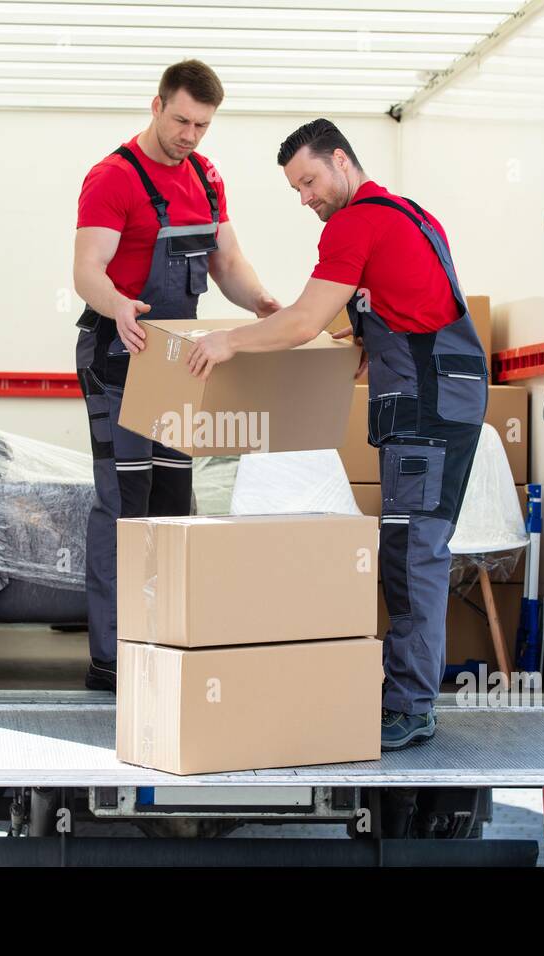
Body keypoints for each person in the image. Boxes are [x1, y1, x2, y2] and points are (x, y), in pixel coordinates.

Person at [186, 118, 487, 749]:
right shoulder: (411, 214)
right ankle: (405, 696)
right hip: (447, 398)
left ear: (343, 162)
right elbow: (405, 307)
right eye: (296, 189)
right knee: (414, 550)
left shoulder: (357, 222)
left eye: (310, 180)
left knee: (411, 555)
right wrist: (361, 339)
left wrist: (225, 341)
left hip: (426, 412)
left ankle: (410, 707)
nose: (306, 198)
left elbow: (300, 322)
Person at [72, 60, 279, 693]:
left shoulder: (207, 177)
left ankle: (159, 644)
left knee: (172, 503)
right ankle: (110, 659)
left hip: (174, 359)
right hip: (118, 352)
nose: (191, 135)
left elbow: (229, 260)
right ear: (157, 104)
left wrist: (266, 307)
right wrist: (116, 304)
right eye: (182, 120)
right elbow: (87, 269)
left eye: (203, 125)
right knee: (125, 505)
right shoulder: (112, 178)